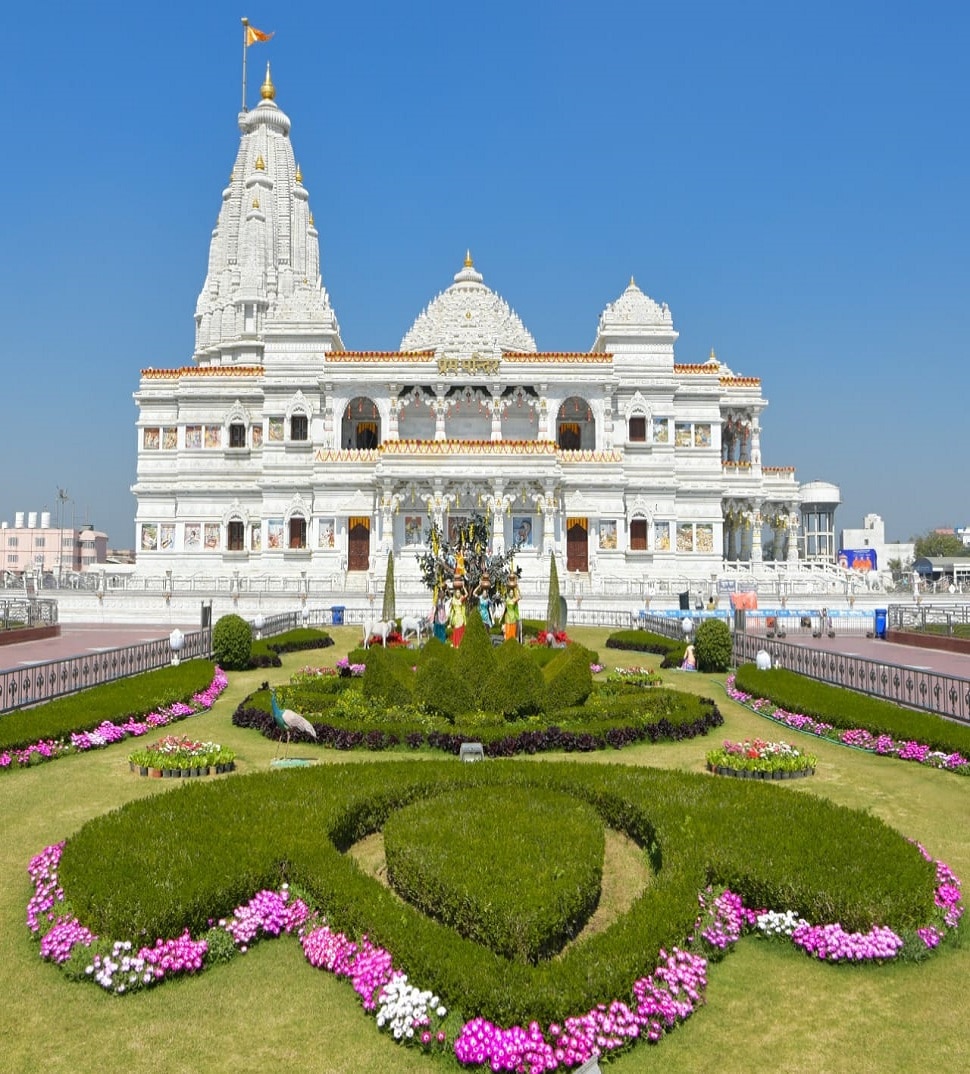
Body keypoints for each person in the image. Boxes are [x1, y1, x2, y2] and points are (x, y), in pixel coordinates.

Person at [448, 579, 467, 647]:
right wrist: (450, 623)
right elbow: (451, 612)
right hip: (455, 617)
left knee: (461, 631)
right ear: (455, 593)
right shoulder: (453, 600)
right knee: (455, 631)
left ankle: (460, 644)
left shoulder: (461, 599)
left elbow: (466, 594)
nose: (458, 593)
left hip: (461, 617)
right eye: (457, 592)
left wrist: (463, 587)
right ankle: (455, 643)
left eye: (459, 592)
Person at [503, 573, 521, 641]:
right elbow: (504, 609)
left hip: (513, 616)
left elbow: (520, 596)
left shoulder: (514, 600)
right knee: (507, 632)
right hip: (508, 617)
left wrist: (517, 587)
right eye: (510, 592)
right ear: (508, 593)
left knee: (513, 632)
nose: (511, 593)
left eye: (512, 592)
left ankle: (513, 642)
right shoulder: (507, 600)